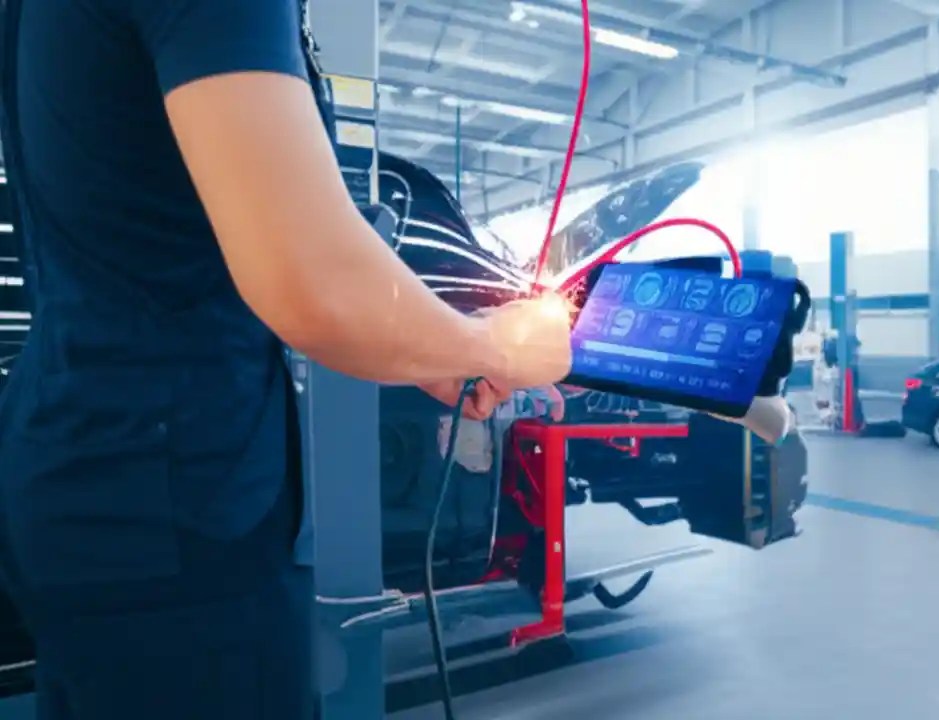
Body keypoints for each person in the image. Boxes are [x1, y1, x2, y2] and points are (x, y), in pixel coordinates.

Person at [0, 0, 571, 718]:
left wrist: (427, 350)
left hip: (87, 481)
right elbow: (313, 280)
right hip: (177, 530)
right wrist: (495, 345)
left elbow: (164, 241)